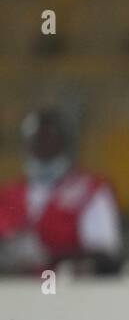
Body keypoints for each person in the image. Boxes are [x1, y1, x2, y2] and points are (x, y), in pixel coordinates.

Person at [0, 108, 121, 275]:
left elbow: (106, 256)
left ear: (65, 144)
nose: (43, 149)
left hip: (70, 293)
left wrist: (49, 257)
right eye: (37, 141)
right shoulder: (7, 196)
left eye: (49, 141)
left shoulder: (90, 191)